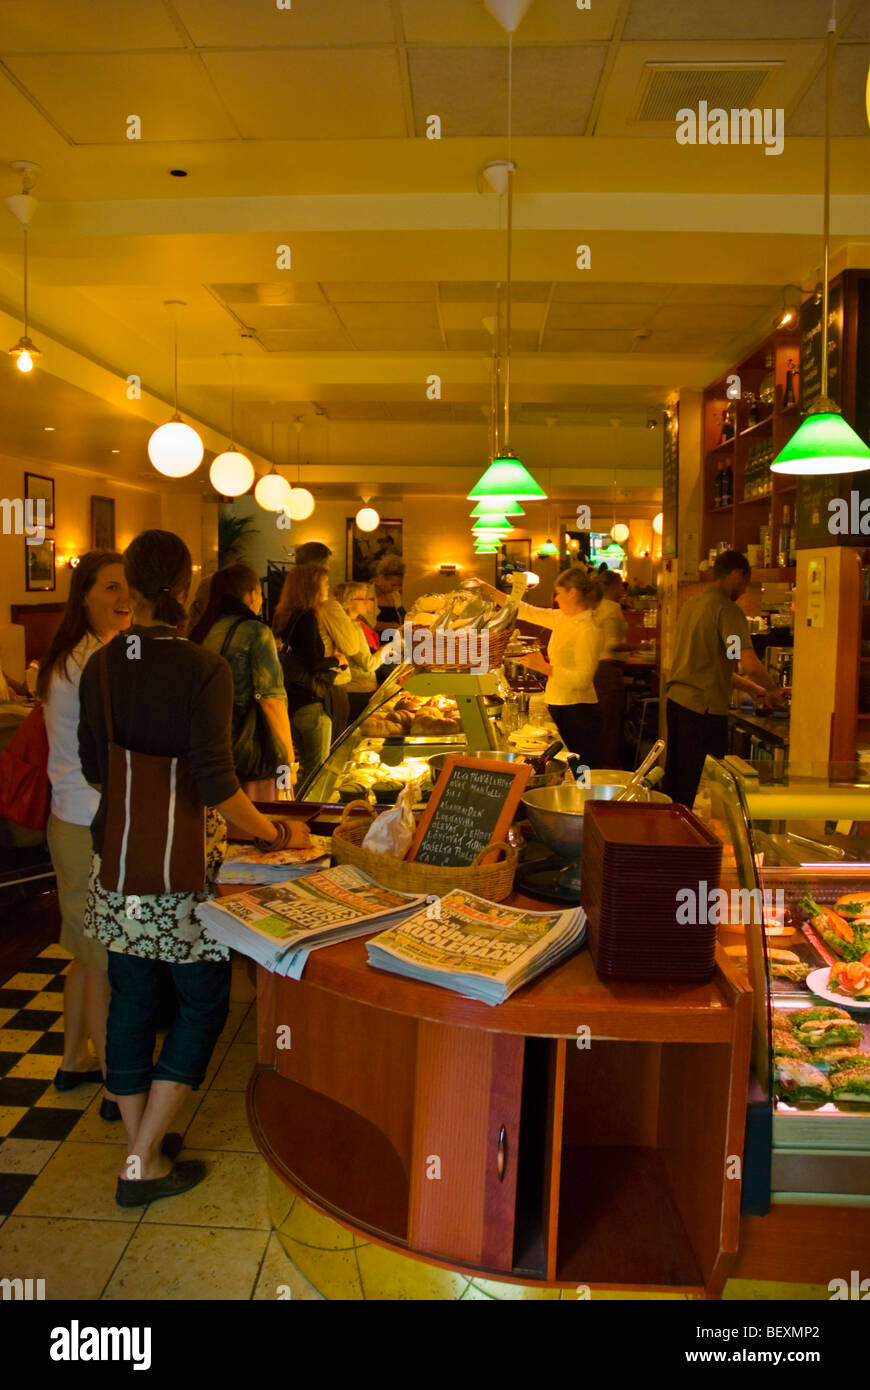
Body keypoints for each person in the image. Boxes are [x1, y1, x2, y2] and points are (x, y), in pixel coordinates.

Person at [78, 529, 297, 1206]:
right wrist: (271, 832)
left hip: (115, 859)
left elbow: (93, 768)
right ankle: (141, 1162)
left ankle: (140, 1143)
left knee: (134, 998)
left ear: (133, 587)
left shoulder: (103, 665)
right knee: (202, 1002)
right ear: (185, 583)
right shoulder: (205, 667)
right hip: (179, 870)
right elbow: (217, 785)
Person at [37, 551, 132, 1122]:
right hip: (85, 822)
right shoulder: (92, 661)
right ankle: (118, 1088)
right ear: (85, 596)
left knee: (82, 949)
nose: (124, 598)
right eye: (111, 588)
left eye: (129, 588)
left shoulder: (76, 656)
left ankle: (75, 1058)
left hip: (70, 818)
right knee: (102, 959)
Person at [663, 549, 783, 809]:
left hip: (677, 703)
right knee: (704, 787)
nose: (743, 590)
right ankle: (697, 845)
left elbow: (715, 662)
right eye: (745, 583)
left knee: (677, 780)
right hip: (702, 710)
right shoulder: (727, 611)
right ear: (738, 574)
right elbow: (749, 663)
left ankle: (670, 839)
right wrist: (772, 690)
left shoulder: (692, 605)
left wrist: (751, 688)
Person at [475, 567, 604, 764]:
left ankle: (583, 794)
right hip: (559, 704)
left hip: (578, 710)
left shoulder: (588, 629)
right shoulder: (562, 618)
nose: (556, 598)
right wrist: (488, 590)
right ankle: (572, 792)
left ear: (572, 593)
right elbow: (525, 610)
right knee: (566, 762)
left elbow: (582, 679)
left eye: (559, 593)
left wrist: (543, 667)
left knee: (580, 767)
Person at [188, 563, 294, 801]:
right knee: (263, 822)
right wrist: (288, 760)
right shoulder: (255, 631)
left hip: (209, 745)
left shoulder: (202, 630)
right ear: (251, 594)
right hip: (251, 750)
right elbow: (271, 701)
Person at [272, 563, 345, 786]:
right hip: (311, 704)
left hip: (292, 702)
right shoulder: (307, 618)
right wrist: (337, 661)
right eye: (324, 583)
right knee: (317, 774)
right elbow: (312, 662)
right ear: (311, 587)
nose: (327, 587)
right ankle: (314, 816)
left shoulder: (284, 616)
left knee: (301, 769)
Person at [593, 569, 640, 769]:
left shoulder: (596, 607)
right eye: (620, 584)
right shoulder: (612, 608)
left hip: (596, 669)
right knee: (611, 724)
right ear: (613, 586)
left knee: (602, 722)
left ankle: (599, 767)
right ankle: (608, 769)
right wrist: (640, 646)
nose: (623, 588)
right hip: (608, 671)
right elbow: (613, 644)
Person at [333, 581, 388, 723]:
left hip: (352, 690)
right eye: (362, 598)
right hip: (358, 691)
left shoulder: (343, 624)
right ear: (349, 602)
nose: (366, 602)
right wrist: (390, 648)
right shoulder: (352, 627)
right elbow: (368, 664)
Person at [373, 554, 406, 635]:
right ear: (381, 578)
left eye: (398, 586)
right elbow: (369, 624)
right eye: (393, 585)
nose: (395, 589)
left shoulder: (395, 595)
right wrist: (394, 626)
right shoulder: (370, 594)